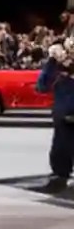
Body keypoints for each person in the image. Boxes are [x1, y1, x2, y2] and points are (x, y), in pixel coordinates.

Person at [36, 39, 74, 192]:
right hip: (64, 116)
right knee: (60, 150)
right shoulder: (58, 69)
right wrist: (52, 62)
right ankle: (59, 179)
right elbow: (42, 86)